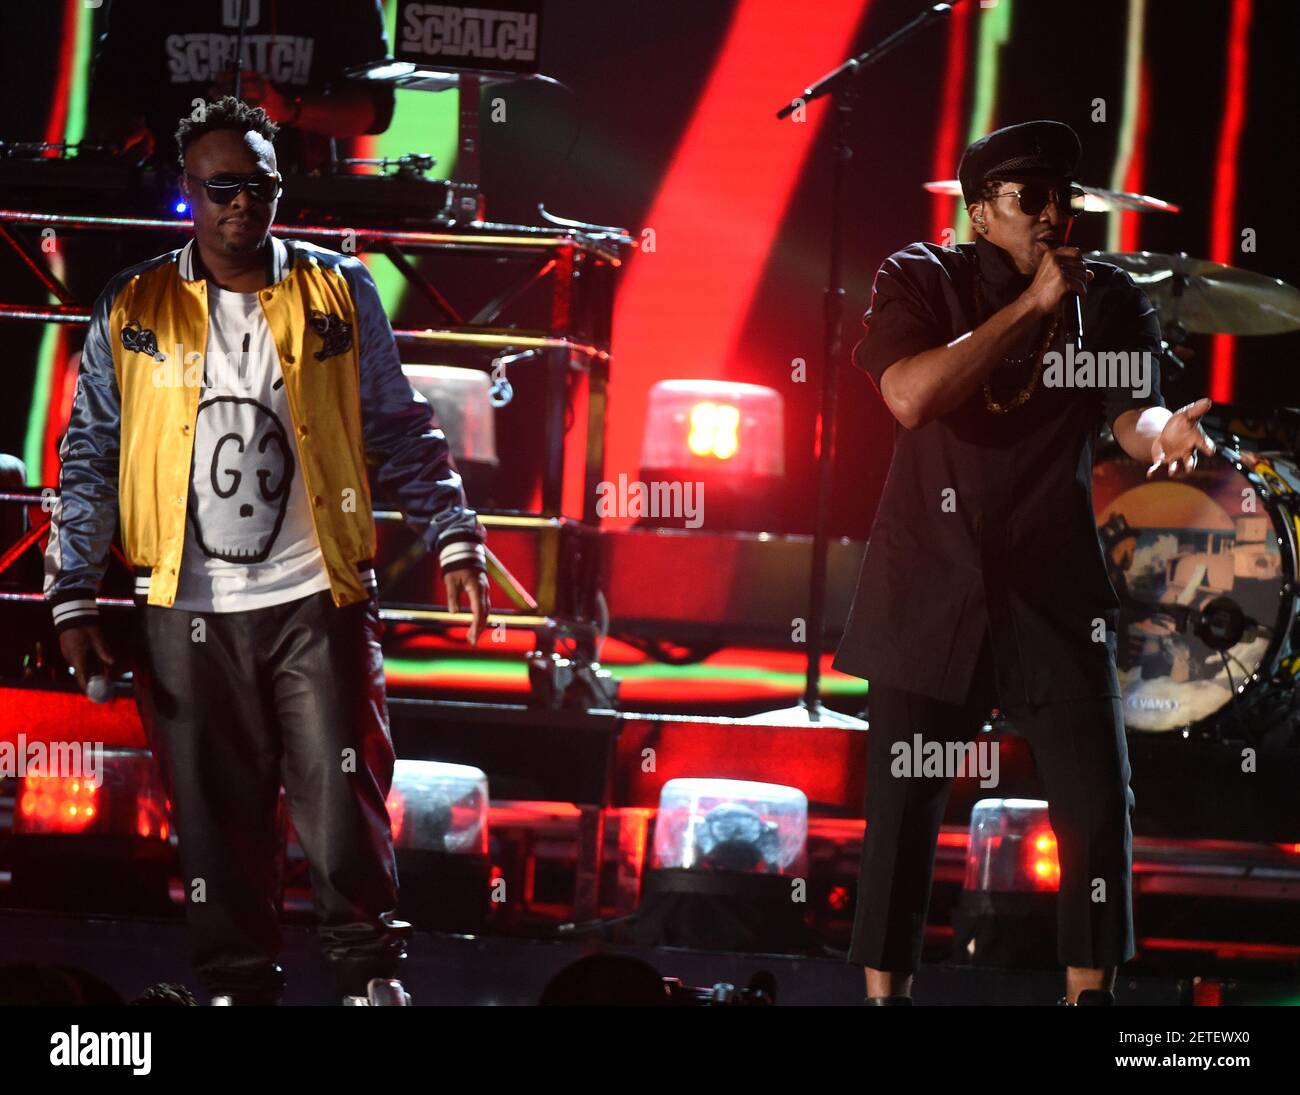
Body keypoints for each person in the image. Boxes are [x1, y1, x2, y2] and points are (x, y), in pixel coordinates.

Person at [45, 97, 490, 1006]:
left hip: (314, 596)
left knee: (344, 817)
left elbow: (400, 425)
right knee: (214, 827)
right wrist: (74, 593)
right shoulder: (136, 305)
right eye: (223, 188)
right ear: (189, 192)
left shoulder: (337, 289)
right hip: (182, 607)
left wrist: (453, 533)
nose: (243, 204)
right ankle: (234, 991)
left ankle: (370, 984)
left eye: (260, 185)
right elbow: (88, 450)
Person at [832, 120, 1216, 1006]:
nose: (1054, 213)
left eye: (1063, 197)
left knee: (1094, 805)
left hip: (1051, 593)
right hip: (928, 585)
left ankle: (1091, 999)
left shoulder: (1111, 297)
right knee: (902, 814)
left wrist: (1167, 433)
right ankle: (886, 1000)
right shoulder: (920, 277)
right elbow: (909, 394)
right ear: (979, 214)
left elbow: (1134, 414)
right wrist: (1033, 307)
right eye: (1030, 197)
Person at [88, 0, 395, 173]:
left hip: (293, 203)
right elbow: (108, 95)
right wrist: (126, 131)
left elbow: (374, 111)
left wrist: (285, 109)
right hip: (170, 197)